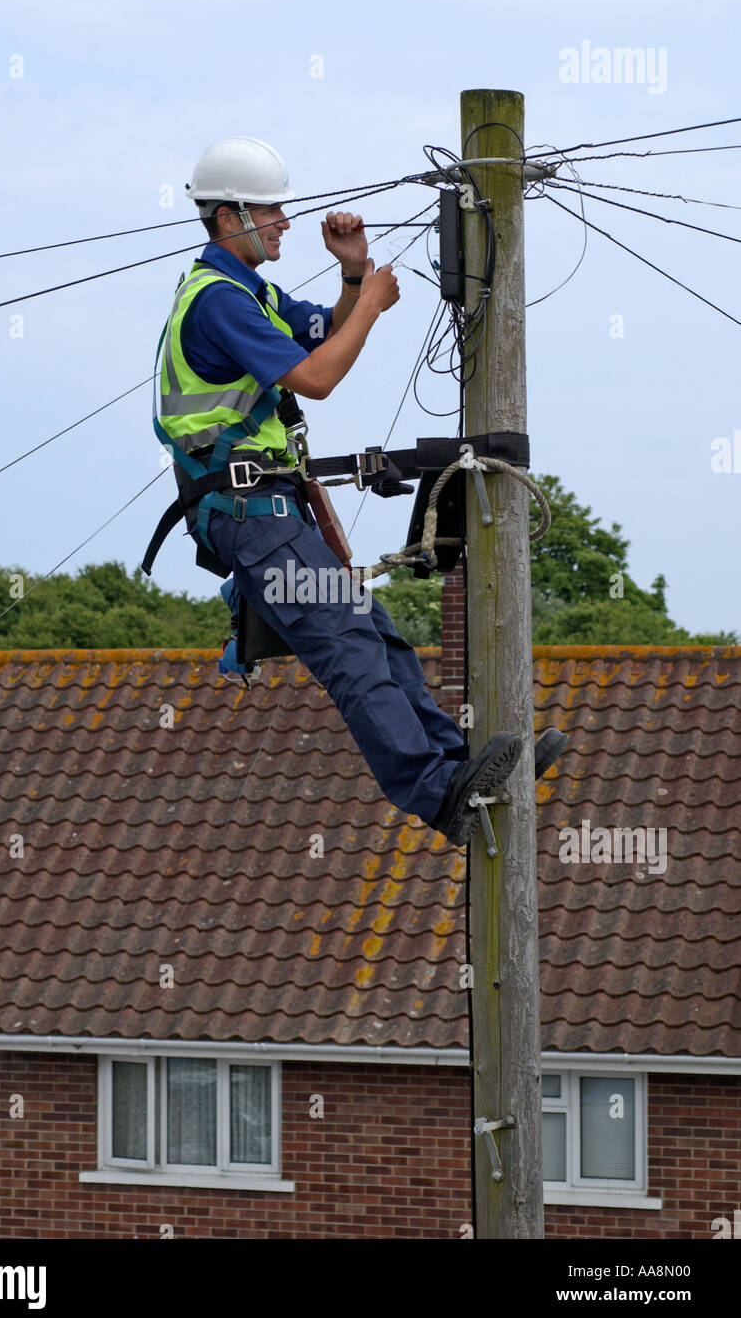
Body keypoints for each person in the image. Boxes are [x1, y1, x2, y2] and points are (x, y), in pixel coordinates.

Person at [157, 136, 565, 847]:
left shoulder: (251, 293)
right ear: (229, 218)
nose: (285, 221)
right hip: (248, 515)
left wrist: (352, 282)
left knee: (380, 642)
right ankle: (440, 796)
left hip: (273, 512)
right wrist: (373, 303)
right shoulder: (218, 301)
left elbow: (324, 335)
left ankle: (459, 768)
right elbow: (316, 378)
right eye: (271, 209)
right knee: (350, 653)